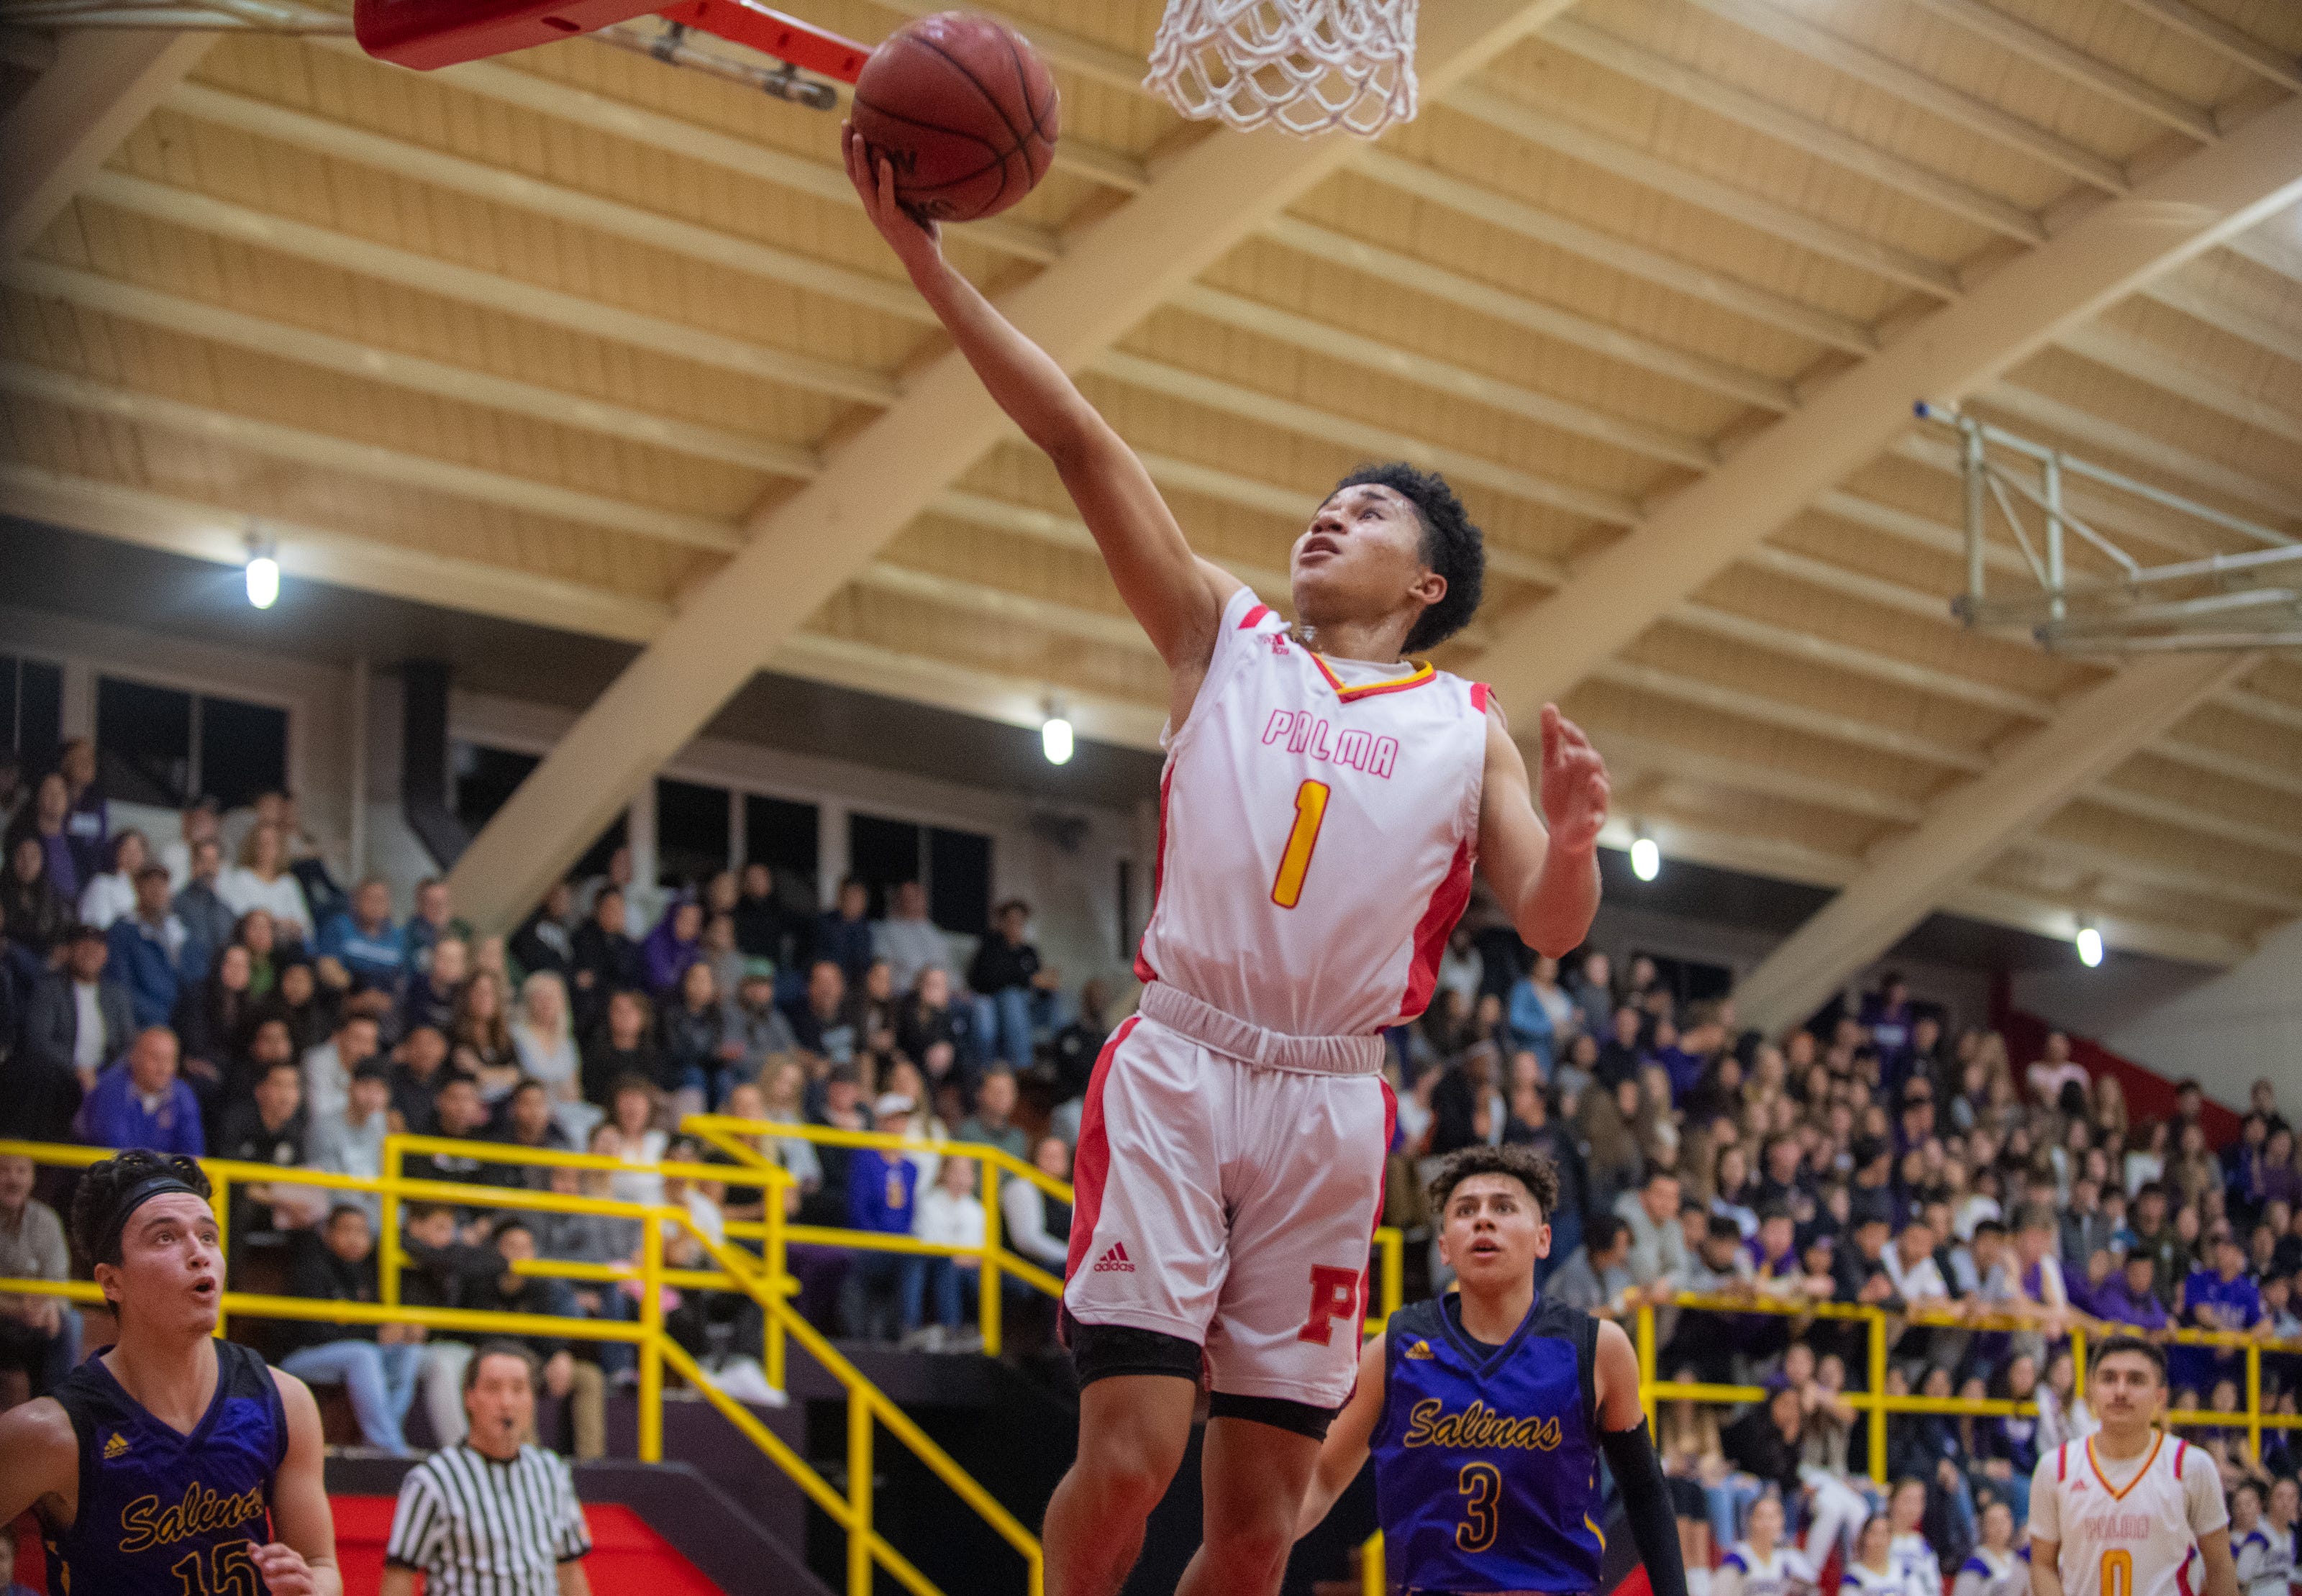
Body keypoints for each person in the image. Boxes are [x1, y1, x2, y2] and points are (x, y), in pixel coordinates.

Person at [847, 122, 1610, 1596]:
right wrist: (923, 264)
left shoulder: (1469, 727)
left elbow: (1553, 920)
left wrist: (1573, 842)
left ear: (1427, 582)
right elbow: (1076, 433)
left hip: (1330, 1101)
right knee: (1129, 1452)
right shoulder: (1223, 633)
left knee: (1261, 1520)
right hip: (1184, 1062)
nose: (1333, 512)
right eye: (1329, 498)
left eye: (1371, 509)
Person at [1293, 1146, 1686, 1596]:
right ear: (1444, 1247)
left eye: (1503, 1207)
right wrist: (1252, 1549)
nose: (1483, 1219)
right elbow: (1323, 1476)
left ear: (1543, 1239)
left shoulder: (1599, 1348)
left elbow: (1645, 1491)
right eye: (1465, 1210)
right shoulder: (1396, 1348)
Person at [0, 1150, 339, 1594]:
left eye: (208, 1236)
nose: (199, 1254)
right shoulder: (51, 1432)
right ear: (111, 1281)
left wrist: (311, 1589)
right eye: (165, 1238)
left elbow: (320, 1563)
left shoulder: (284, 1402)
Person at [2028, 1336, 2239, 1596]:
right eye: (2108, 1379)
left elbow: (2219, 1567)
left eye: (2136, 1380)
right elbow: (2042, 1565)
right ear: (2090, 1391)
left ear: (2160, 1396)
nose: (2120, 1391)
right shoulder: (2055, 1467)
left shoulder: (2192, 1466)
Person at [381, 1341, 595, 1596]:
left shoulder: (553, 1471)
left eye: (518, 1389)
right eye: (493, 1389)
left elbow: (570, 1572)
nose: (506, 1402)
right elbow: (399, 1577)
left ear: (532, 1399)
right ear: (469, 1397)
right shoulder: (433, 1479)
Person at [279, 1205, 419, 1455]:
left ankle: (390, 1434)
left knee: (408, 1353)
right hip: (300, 1356)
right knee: (361, 1354)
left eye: (362, 1232)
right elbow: (313, 1332)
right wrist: (374, 1335)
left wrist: (403, 1331)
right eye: (347, 1230)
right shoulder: (312, 1267)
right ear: (328, 1234)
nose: (355, 1239)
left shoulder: (372, 1271)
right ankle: (387, 1449)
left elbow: (378, 1328)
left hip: (353, 1354)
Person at [17, 923, 133, 1142]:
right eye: (83, 946)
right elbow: (38, 1041)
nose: (90, 952)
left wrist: (102, 1076)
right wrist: (77, 1071)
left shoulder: (117, 995)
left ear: (106, 954)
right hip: (59, 1078)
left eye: (97, 947)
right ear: (70, 950)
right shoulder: (49, 989)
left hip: (104, 1080)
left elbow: (127, 1044)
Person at [0, 1153, 80, 1398]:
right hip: (6, 1315)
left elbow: (57, 1283)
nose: (13, 1179)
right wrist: (18, 1308)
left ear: (33, 1178)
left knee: (71, 1322)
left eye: (21, 1171)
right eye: (4, 1170)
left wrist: (48, 1307)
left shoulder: (46, 1220)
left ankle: (54, 1410)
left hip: (33, 1320)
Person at [78, 1026, 205, 1155]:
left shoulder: (183, 1096)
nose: (163, 1068)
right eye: (155, 1058)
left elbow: (192, 1154)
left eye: (169, 1059)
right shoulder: (110, 1091)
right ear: (134, 1057)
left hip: (160, 1174)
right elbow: (113, 1150)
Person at [1716, 1494, 1818, 1596]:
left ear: (1782, 1521)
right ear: (1750, 1520)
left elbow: (1813, 1586)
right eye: (1761, 1516)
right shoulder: (1737, 1557)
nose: (1767, 1523)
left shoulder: (1788, 1557)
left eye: (1772, 1517)